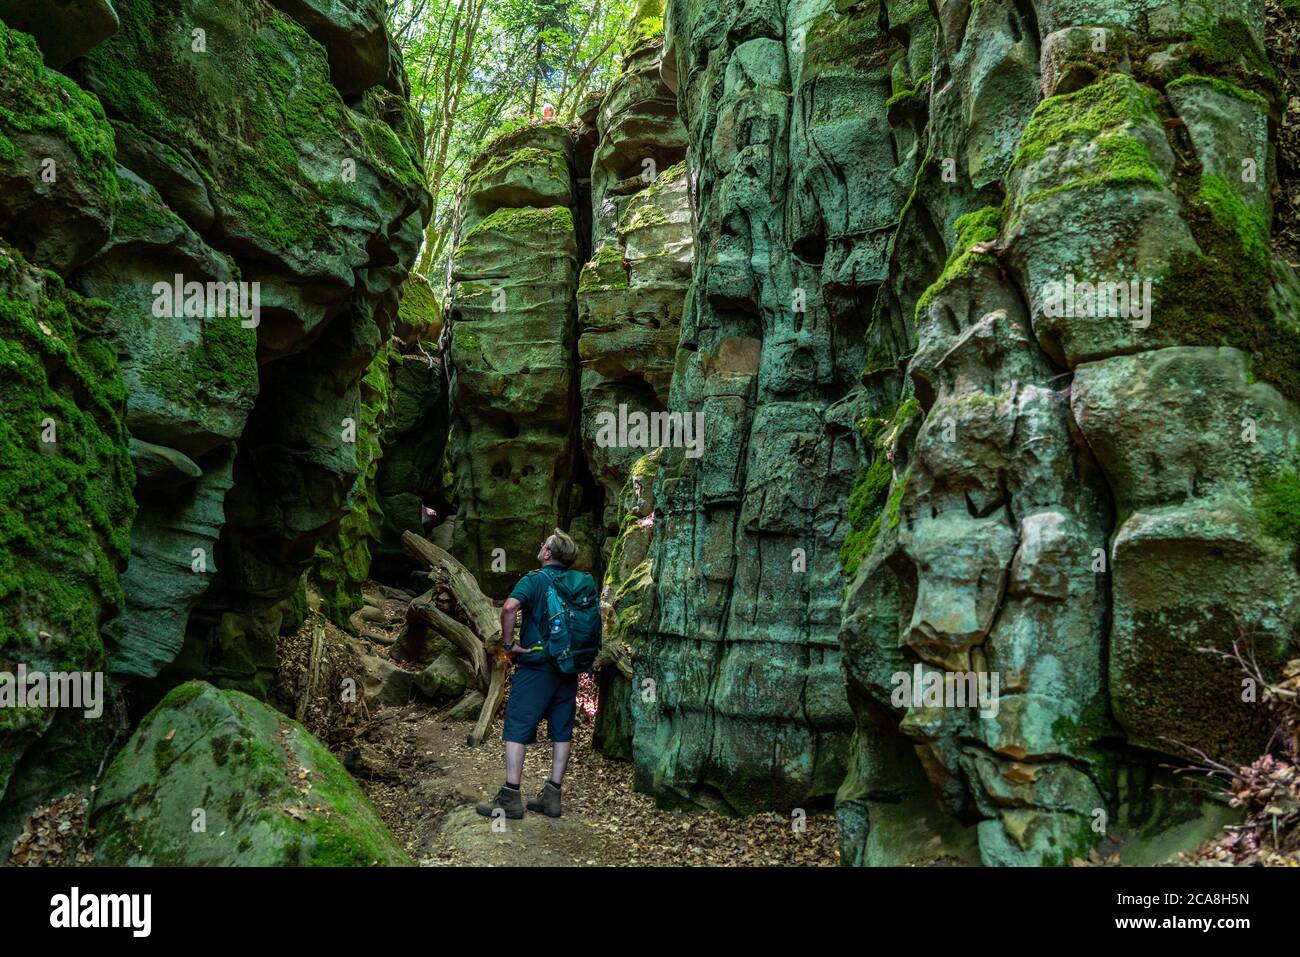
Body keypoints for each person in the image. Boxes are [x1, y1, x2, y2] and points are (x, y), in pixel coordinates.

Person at [475, 529, 592, 820]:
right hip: (568, 666)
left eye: (544, 546)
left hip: (537, 664)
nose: (540, 547)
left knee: (517, 724)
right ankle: (552, 795)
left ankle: (511, 796)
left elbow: (510, 607)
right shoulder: (580, 582)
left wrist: (508, 644)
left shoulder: (534, 580)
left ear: (548, 554)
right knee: (562, 729)